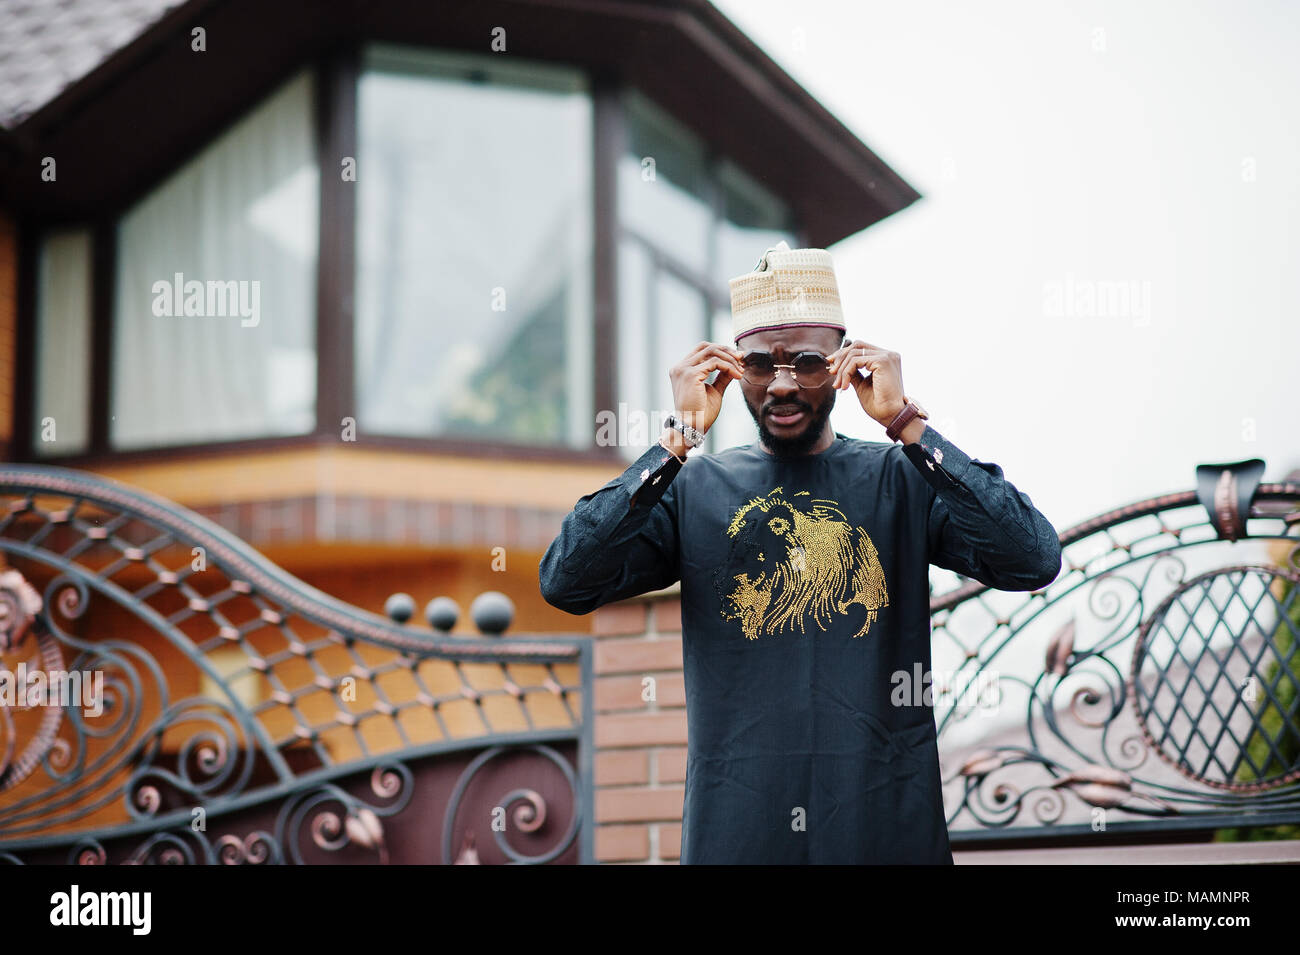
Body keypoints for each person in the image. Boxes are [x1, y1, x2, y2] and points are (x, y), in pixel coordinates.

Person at [539, 242, 1062, 864]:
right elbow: (565, 579)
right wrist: (675, 442)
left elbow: (1032, 558)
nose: (783, 384)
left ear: (843, 362)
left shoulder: (903, 478)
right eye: (761, 364)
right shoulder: (694, 492)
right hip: (736, 835)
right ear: (734, 371)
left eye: (807, 362)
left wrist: (910, 426)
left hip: (884, 834)